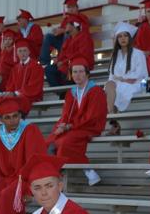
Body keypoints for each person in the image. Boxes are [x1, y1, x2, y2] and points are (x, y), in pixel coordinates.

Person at [46, 58, 108, 186]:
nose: (77, 75)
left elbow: (92, 116)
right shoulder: (71, 93)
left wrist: (69, 126)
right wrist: (62, 125)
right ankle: (56, 174)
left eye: (80, 72)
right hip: (74, 126)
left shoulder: (96, 91)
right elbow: (65, 114)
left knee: (64, 142)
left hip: (90, 126)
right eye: (74, 72)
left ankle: (86, 171)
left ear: (87, 74)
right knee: (51, 140)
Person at [104, 22, 149, 114]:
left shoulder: (138, 53)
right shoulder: (115, 56)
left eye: (125, 36)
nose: (123, 38)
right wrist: (119, 81)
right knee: (108, 86)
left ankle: (111, 115)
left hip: (136, 84)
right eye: (120, 36)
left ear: (130, 38)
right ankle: (111, 112)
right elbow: (112, 77)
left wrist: (123, 79)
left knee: (115, 89)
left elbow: (142, 74)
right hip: (118, 84)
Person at [45, 9, 94, 88]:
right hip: (66, 64)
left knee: (66, 69)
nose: (65, 26)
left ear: (74, 25)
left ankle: (67, 93)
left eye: (67, 24)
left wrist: (64, 62)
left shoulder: (84, 37)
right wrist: (58, 60)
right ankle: (61, 92)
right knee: (49, 70)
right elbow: (63, 53)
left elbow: (81, 54)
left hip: (78, 63)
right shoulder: (68, 40)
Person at [6, 38, 45, 116]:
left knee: (18, 101)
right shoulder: (15, 68)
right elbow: (11, 85)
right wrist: (9, 92)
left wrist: (16, 93)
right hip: (18, 95)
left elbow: (34, 87)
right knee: (1, 100)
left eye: (25, 50)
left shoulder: (35, 66)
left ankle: (18, 121)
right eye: (20, 51)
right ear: (16, 53)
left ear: (29, 52)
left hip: (32, 95)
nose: (22, 53)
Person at [39, 0, 81, 66]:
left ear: (77, 8)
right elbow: (61, 30)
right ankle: (44, 61)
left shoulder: (81, 17)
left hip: (73, 43)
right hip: (62, 44)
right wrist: (56, 31)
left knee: (67, 34)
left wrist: (64, 31)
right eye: (69, 7)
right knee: (48, 36)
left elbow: (78, 29)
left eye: (73, 7)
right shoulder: (66, 19)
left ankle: (62, 57)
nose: (71, 9)